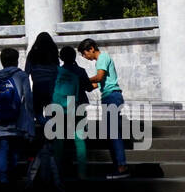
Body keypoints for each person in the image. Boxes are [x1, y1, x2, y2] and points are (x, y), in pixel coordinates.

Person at [78, 37, 130, 179]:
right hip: (110, 96)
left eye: (84, 53)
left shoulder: (102, 58)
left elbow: (99, 77)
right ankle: (119, 165)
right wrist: (85, 86)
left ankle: (121, 166)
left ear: (91, 49)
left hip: (112, 97)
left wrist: (82, 79)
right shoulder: (102, 60)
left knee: (113, 133)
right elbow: (98, 83)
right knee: (111, 133)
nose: (84, 57)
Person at [0, 48, 35, 184]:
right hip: (17, 120)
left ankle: (3, 180)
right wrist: (30, 122)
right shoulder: (21, 76)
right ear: (16, 60)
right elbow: (28, 100)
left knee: (2, 149)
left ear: (2, 61)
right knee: (15, 151)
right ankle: (13, 176)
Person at [52, 45, 93, 180]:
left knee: (59, 140)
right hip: (77, 107)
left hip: (60, 108)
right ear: (74, 57)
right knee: (80, 140)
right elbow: (88, 88)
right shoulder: (80, 71)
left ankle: (57, 172)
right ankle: (82, 173)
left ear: (61, 58)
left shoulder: (57, 72)